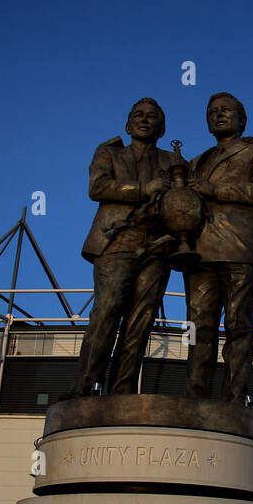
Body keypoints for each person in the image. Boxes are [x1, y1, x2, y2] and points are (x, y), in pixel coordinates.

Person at [70, 98, 174, 399]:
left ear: (162, 128)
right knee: (107, 312)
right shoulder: (110, 153)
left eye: (152, 117)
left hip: (157, 246)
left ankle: (121, 390)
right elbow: (98, 187)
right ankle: (85, 387)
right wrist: (144, 190)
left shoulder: (173, 162)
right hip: (117, 240)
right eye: (138, 115)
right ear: (128, 125)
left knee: (141, 320)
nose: (144, 120)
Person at [183, 92, 253, 403]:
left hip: (239, 249)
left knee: (238, 325)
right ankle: (196, 396)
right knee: (199, 328)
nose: (218, 115)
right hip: (200, 253)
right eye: (212, 111)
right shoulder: (195, 162)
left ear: (242, 120)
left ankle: (235, 397)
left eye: (226, 110)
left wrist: (215, 189)